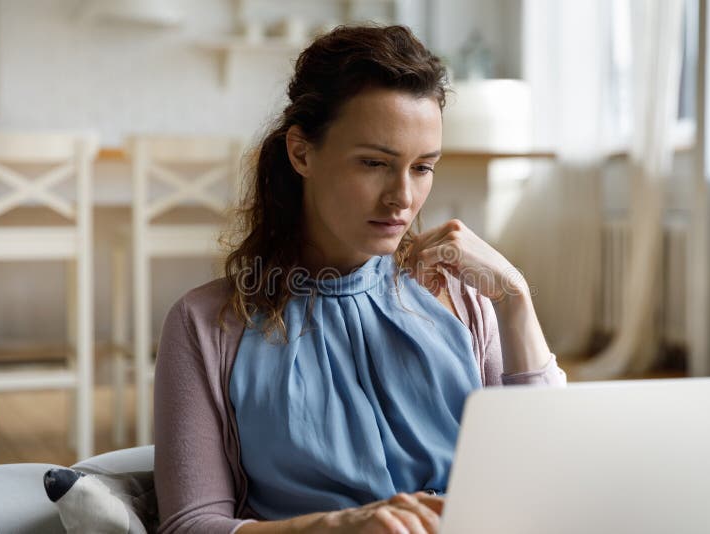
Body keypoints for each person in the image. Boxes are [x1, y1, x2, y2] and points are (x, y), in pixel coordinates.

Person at [154, 24, 566, 534]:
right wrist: (336, 527)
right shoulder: (206, 325)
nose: (402, 198)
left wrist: (515, 297)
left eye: (422, 168)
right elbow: (190, 525)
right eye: (374, 163)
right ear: (302, 153)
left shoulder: (465, 299)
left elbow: (546, 475)